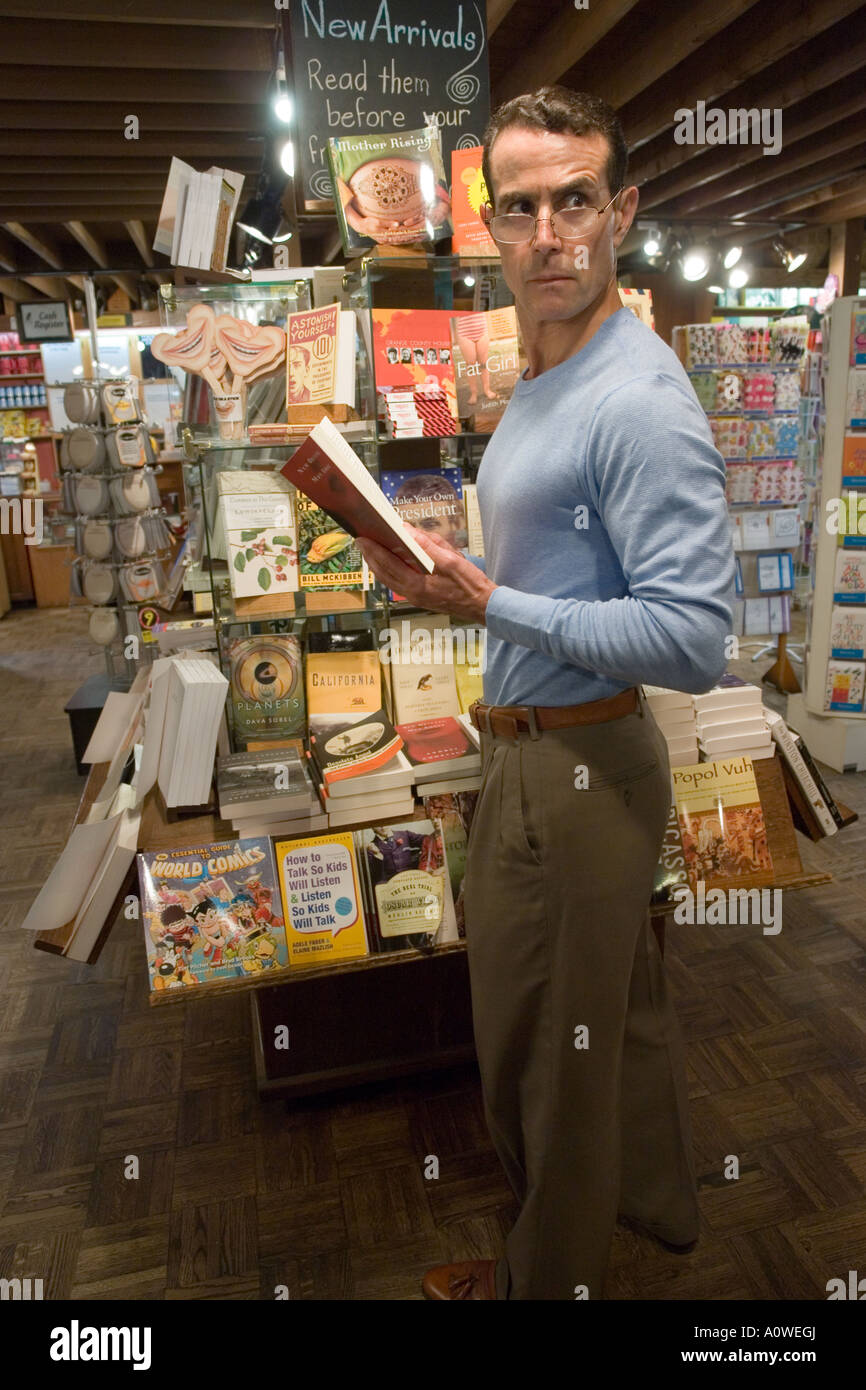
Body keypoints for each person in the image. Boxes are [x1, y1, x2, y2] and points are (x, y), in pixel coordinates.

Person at [356, 85, 735, 1301]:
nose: (546, 232)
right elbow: (559, 565)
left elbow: (691, 636)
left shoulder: (634, 396)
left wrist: (492, 608)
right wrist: (438, 576)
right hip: (542, 753)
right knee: (611, 1025)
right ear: (490, 225)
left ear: (618, 211)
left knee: (542, 1056)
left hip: (573, 771)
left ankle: (541, 1282)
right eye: (518, 207)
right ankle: (657, 1208)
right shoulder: (545, 372)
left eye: (574, 199)